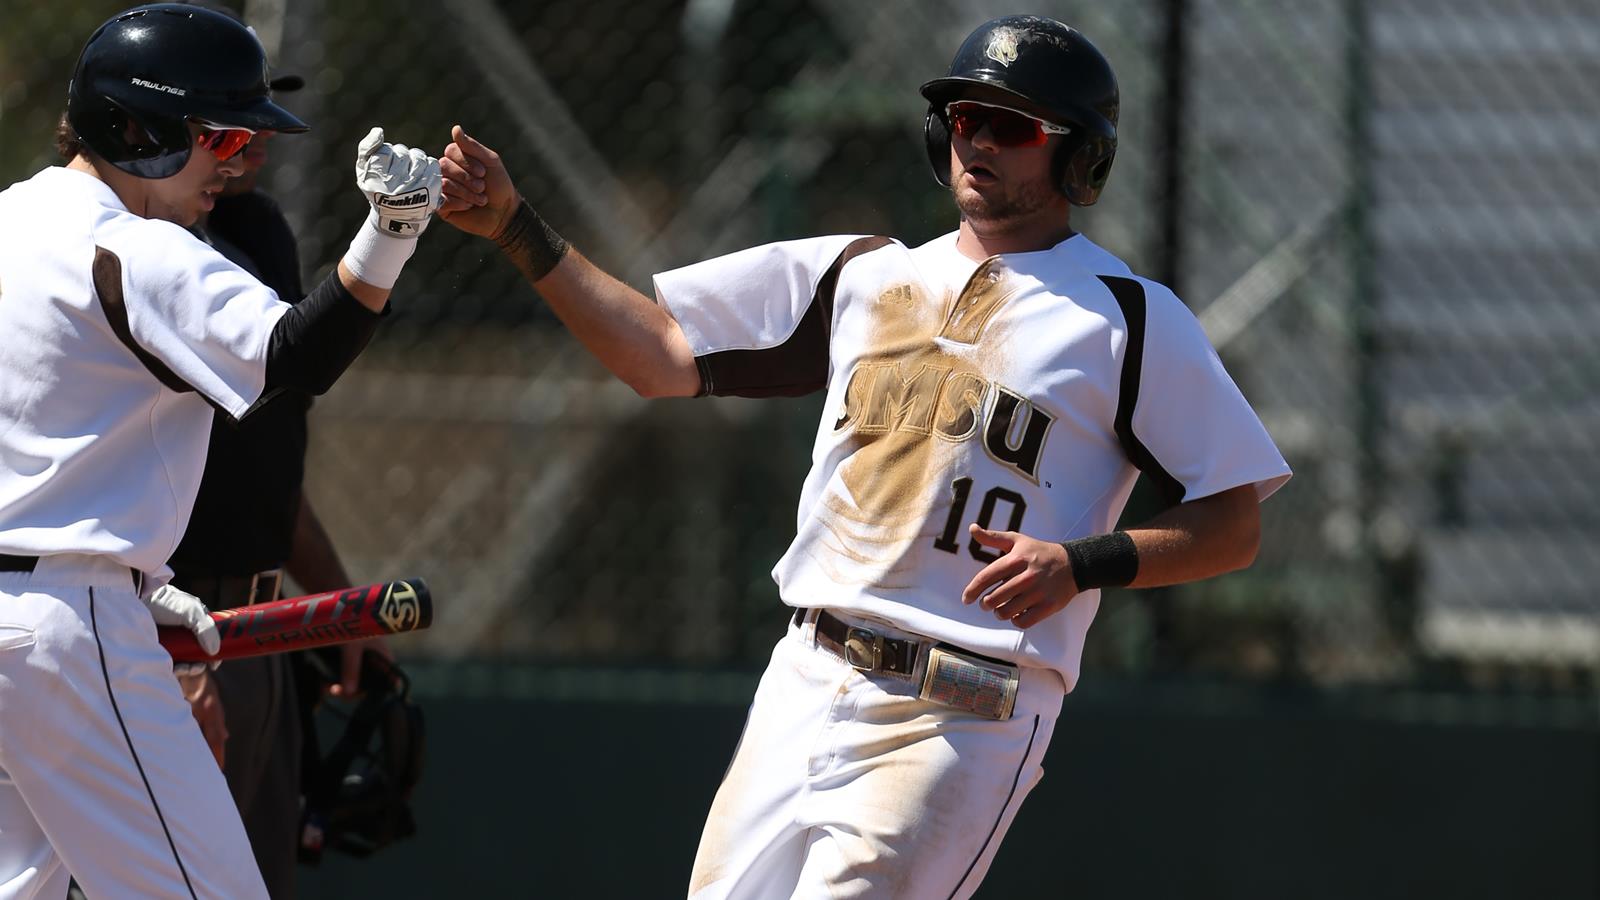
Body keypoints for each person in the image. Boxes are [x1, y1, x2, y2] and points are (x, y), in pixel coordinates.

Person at [441, 14, 1292, 899]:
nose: (978, 141)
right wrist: (516, 229)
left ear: (1079, 156)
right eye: (964, 119)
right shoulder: (862, 273)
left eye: (1012, 126)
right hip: (806, 676)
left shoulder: (1129, 317)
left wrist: (1086, 563)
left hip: (962, 709)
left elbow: (1232, 524)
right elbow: (658, 353)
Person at [0, 4, 458, 898]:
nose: (240, 156)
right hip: (65, 633)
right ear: (135, 130)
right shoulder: (134, 248)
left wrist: (132, 586)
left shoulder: (13, 218)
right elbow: (296, 358)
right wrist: (393, 228)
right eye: (218, 134)